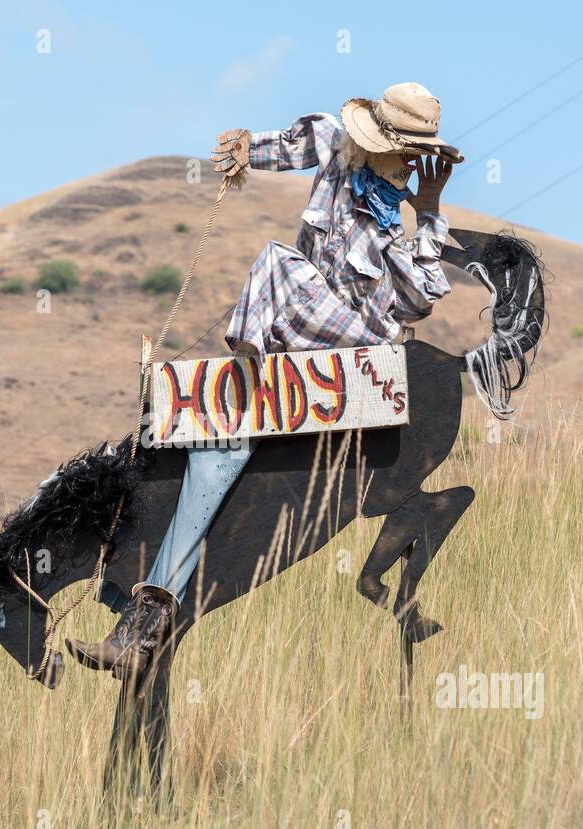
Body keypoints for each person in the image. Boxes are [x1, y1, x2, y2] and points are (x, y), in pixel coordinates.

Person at [66, 82, 462, 678]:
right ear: (375, 138)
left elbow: (421, 300)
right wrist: (245, 149)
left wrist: (428, 207)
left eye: (419, 151)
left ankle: (244, 371)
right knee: (213, 464)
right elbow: (294, 142)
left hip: (350, 346)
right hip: (292, 347)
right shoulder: (336, 147)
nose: (412, 160)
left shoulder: (398, 228)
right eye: (406, 146)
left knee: (278, 260)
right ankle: (140, 626)